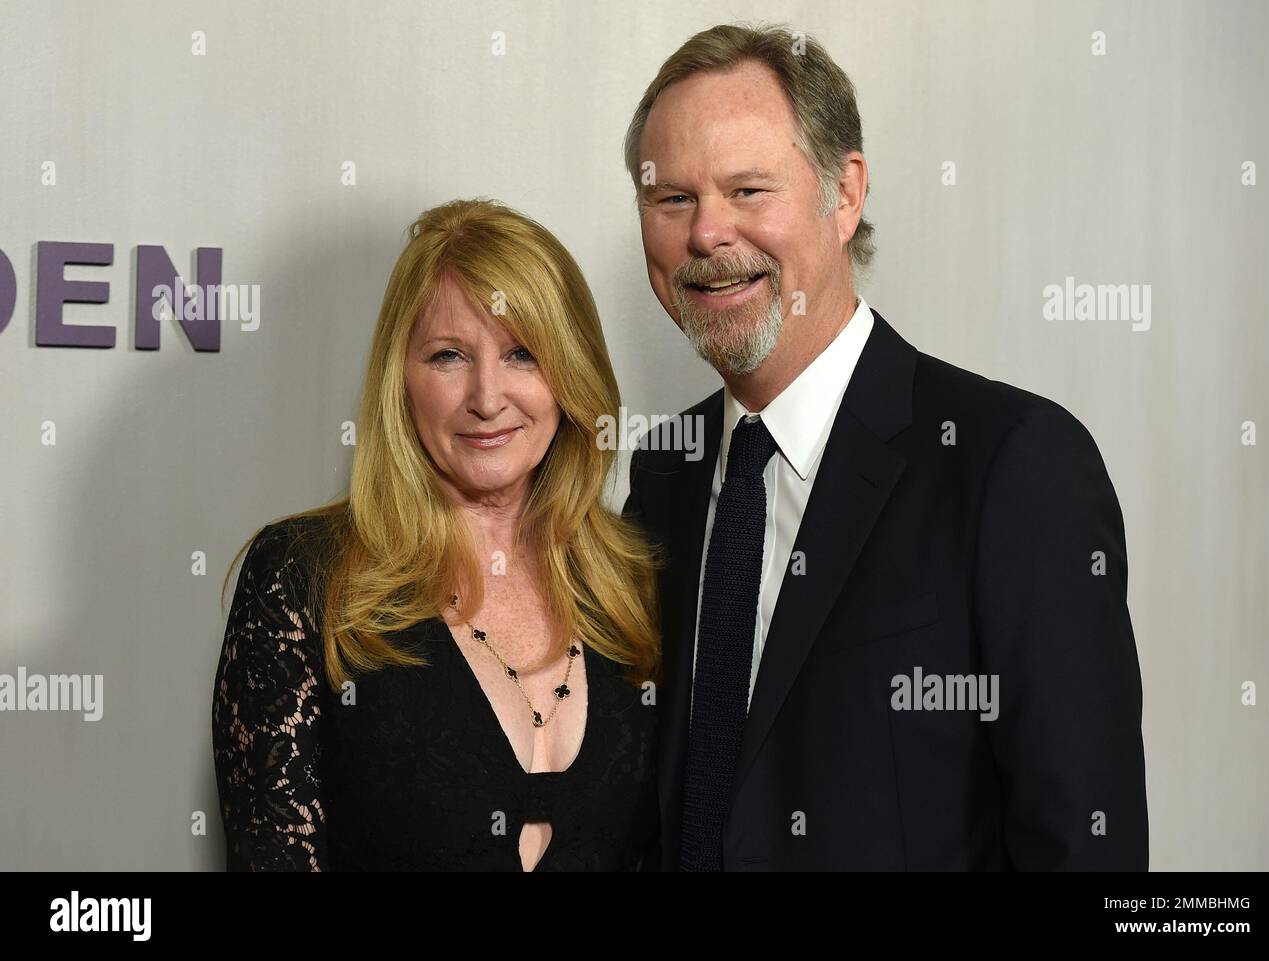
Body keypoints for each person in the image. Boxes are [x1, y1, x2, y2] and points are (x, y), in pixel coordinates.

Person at [621, 23, 1148, 870]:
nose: (706, 233)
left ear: (845, 193)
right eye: (672, 198)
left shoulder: (1013, 464)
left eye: (750, 189)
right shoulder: (662, 473)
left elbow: (1083, 847)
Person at [212, 198, 661, 871]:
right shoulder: (304, 578)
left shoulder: (635, 584)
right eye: (449, 355)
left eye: (522, 354)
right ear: (402, 380)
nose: (487, 396)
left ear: (571, 375)